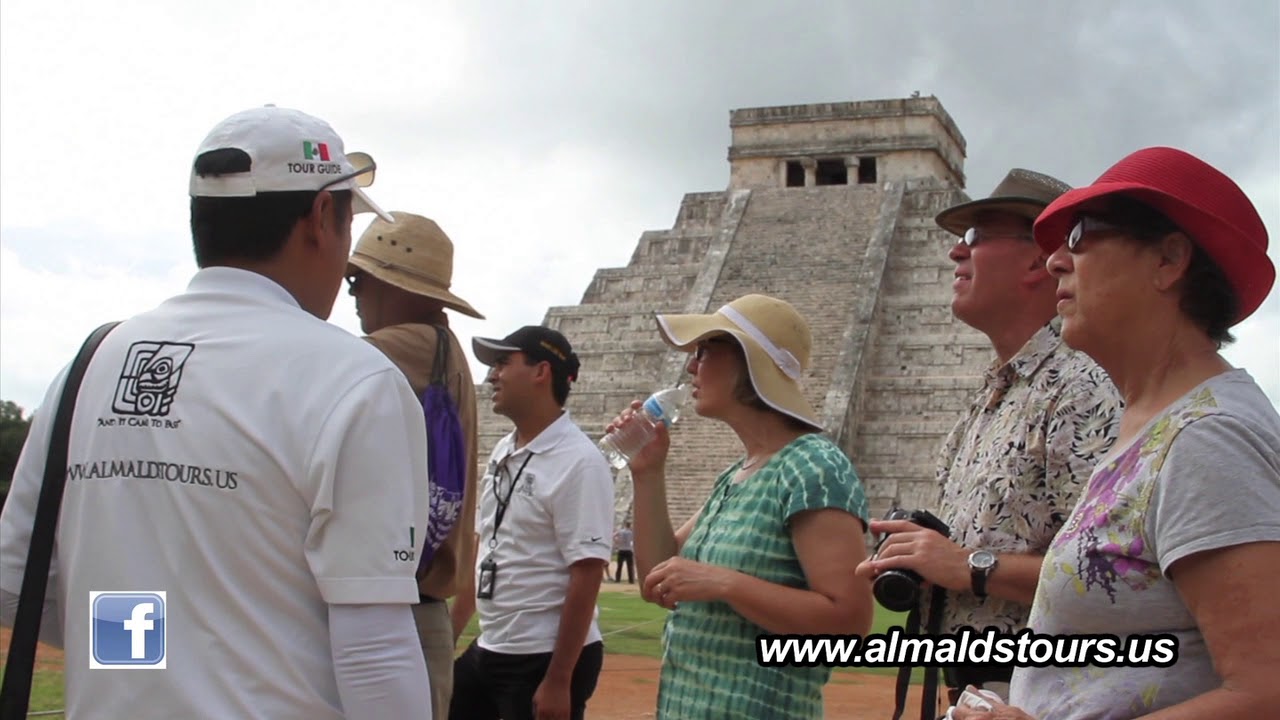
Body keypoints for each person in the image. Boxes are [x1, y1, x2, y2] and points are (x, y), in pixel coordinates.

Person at [0, 106, 433, 719]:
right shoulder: (355, 379)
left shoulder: (91, 363)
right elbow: (375, 650)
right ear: (318, 219)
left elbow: (16, 586)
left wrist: (154, 655)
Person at [955, 147, 1280, 719]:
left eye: (1079, 236)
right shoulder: (1155, 426)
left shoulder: (1207, 437)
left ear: (1169, 260)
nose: (1055, 261)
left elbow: (1266, 692)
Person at [855, 169, 1123, 701]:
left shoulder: (1085, 387)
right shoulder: (992, 396)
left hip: (1049, 696)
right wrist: (927, 558)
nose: (957, 252)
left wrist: (967, 566)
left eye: (976, 236)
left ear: (1036, 261)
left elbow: (1117, 571)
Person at [616, 293, 873, 719]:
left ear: (750, 363)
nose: (691, 367)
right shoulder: (738, 473)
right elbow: (658, 578)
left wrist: (725, 583)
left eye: (704, 350)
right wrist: (647, 474)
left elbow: (849, 624)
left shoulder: (813, 466)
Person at [345, 211, 484, 719]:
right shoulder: (442, 348)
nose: (351, 293)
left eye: (357, 279)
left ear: (393, 285)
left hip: (396, 612)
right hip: (416, 613)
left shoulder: (404, 347)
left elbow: (301, 369)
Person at [450, 326, 614, 720]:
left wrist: (559, 679)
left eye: (504, 363)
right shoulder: (505, 450)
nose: (492, 375)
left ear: (541, 372)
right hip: (494, 645)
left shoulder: (580, 461)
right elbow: (486, 546)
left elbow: (587, 572)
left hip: (542, 657)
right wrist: (449, 638)